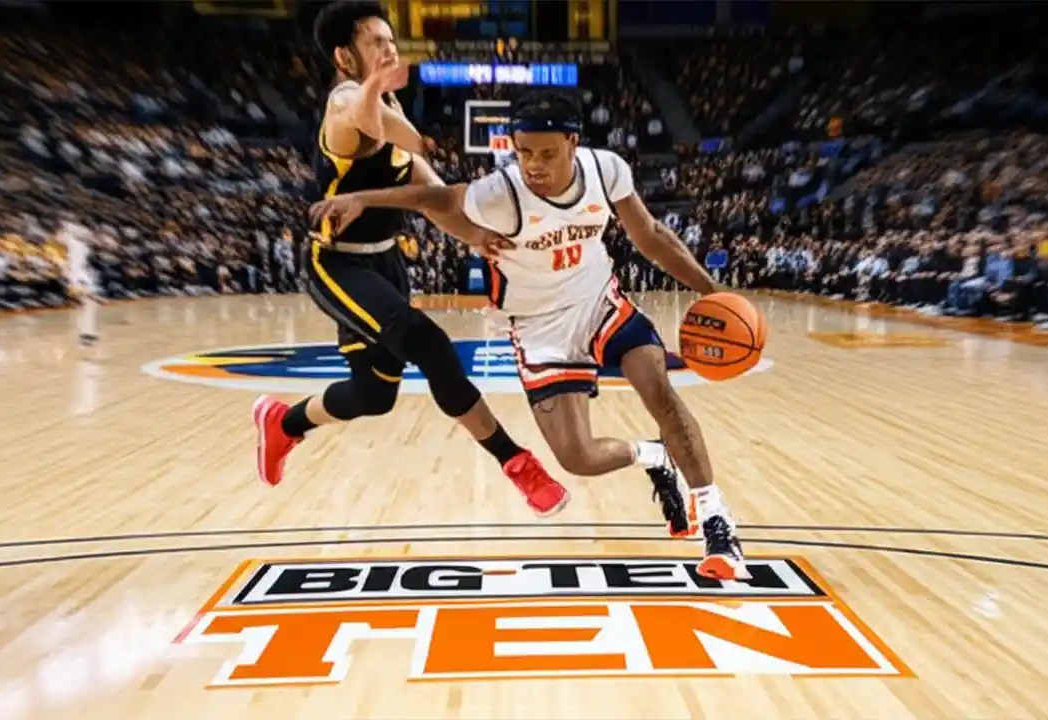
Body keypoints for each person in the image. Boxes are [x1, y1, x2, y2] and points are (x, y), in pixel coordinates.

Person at [309, 91, 749, 580]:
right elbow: (431, 197)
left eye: (546, 152)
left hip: (600, 300)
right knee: (577, 458)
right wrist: (359, 198)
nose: (533, 164)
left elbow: (650, 235)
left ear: (572, 142)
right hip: (539, 326)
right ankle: (652, 454)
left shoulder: (606, 170)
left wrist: (713, 293)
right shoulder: (500, 194)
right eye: (524, 152)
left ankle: (715, 521)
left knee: (659, 392)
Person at [252, 1, 566, 517]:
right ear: (345, 57)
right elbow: (368, 120)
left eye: (390, 40)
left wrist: (480, 238)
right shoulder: (344, 101)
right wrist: (376, 86)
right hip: (338, 264)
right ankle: (516, 462)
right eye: (375, 42)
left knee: (373, 395)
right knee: (429, 342)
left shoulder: (392, 125)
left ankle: (282, 424)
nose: (388, 48)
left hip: (386, 264)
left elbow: (438, 199)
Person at [59, 215, 99, 347]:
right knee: (87, 304)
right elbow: (61, 237)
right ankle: (85, 335)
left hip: (80, 275)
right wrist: (66, 225)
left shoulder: (81, 246)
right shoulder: (74, 243)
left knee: (87, 305)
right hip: (76, 277)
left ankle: (86, 333)